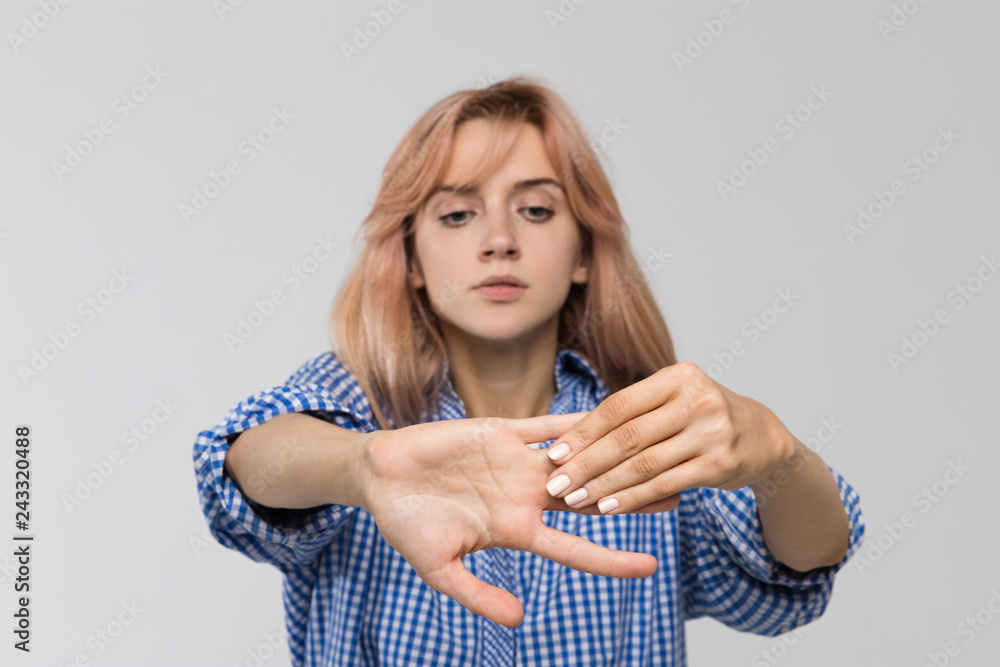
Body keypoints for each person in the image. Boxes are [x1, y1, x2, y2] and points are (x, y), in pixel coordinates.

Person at [192, 76, 865, 666]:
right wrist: (362, 467)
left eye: (536, 209)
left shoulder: (644, 425)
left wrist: (780, 456)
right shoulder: (357, 399)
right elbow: (241, 463)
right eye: (457, 214)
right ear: (414, 261)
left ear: (582, 250)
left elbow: (798, 571)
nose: (499, 238)